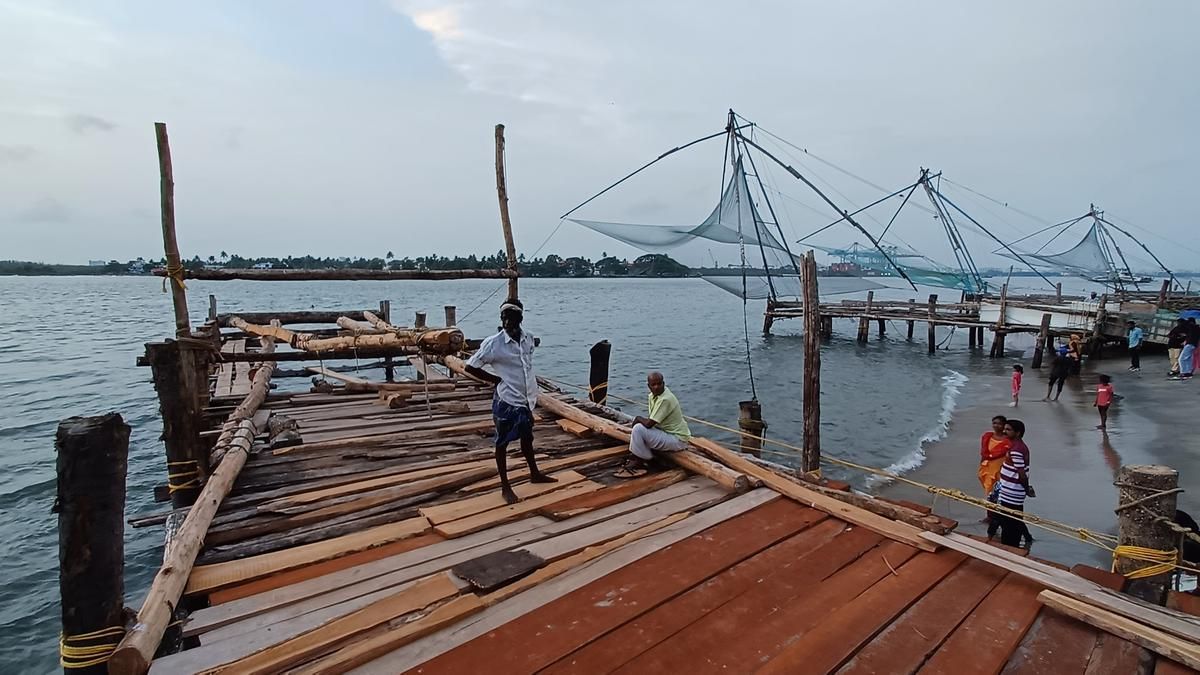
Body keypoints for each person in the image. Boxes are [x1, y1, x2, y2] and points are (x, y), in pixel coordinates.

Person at [464, 299, 555, 504]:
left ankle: (534, 473)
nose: (506, 322)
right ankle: (505, 486)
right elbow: (470, 366)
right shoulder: (494, 343)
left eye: (511, 318)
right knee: (502, 442)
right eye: (503, 318)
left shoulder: (528, 339)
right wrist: (495, 380)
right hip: (506, 400)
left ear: (520, 319)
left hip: (525, 399)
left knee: (527, 437)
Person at [615, 371, 692, 478]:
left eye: (659, 384)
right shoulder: (652, 396)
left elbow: (649, 424)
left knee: (638, 429)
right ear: (648, 386)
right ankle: (642, 456)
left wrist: (638, 418)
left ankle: (642, 458)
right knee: (639, 429)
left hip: (677, 440)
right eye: (653, 385)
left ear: (663, 384)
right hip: (667, 433)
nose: (656, 387)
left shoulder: (665, 399)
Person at [992, 419, 1035, 549]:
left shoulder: (1016, 449)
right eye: (1005, 429)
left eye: (1008, 429)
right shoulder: (1017, 446)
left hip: (1012, 491)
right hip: (1009, 489)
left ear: (1018, 433)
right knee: (1012, 519)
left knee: (1009, 524)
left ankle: (1010, 548)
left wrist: (1027, 489)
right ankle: (1014, 544)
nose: (1004, 431)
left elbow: (1021, 473)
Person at [978, 415, 1011, 502]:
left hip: (1000, 469)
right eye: (994, 423)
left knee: (1000, 491)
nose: (996, 425)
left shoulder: (1008, 441)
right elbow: (984, 453)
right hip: (988, 468)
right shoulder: (987, 436)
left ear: (1004, 425)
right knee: (989, 491)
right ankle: (990, 511)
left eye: (999, 424)